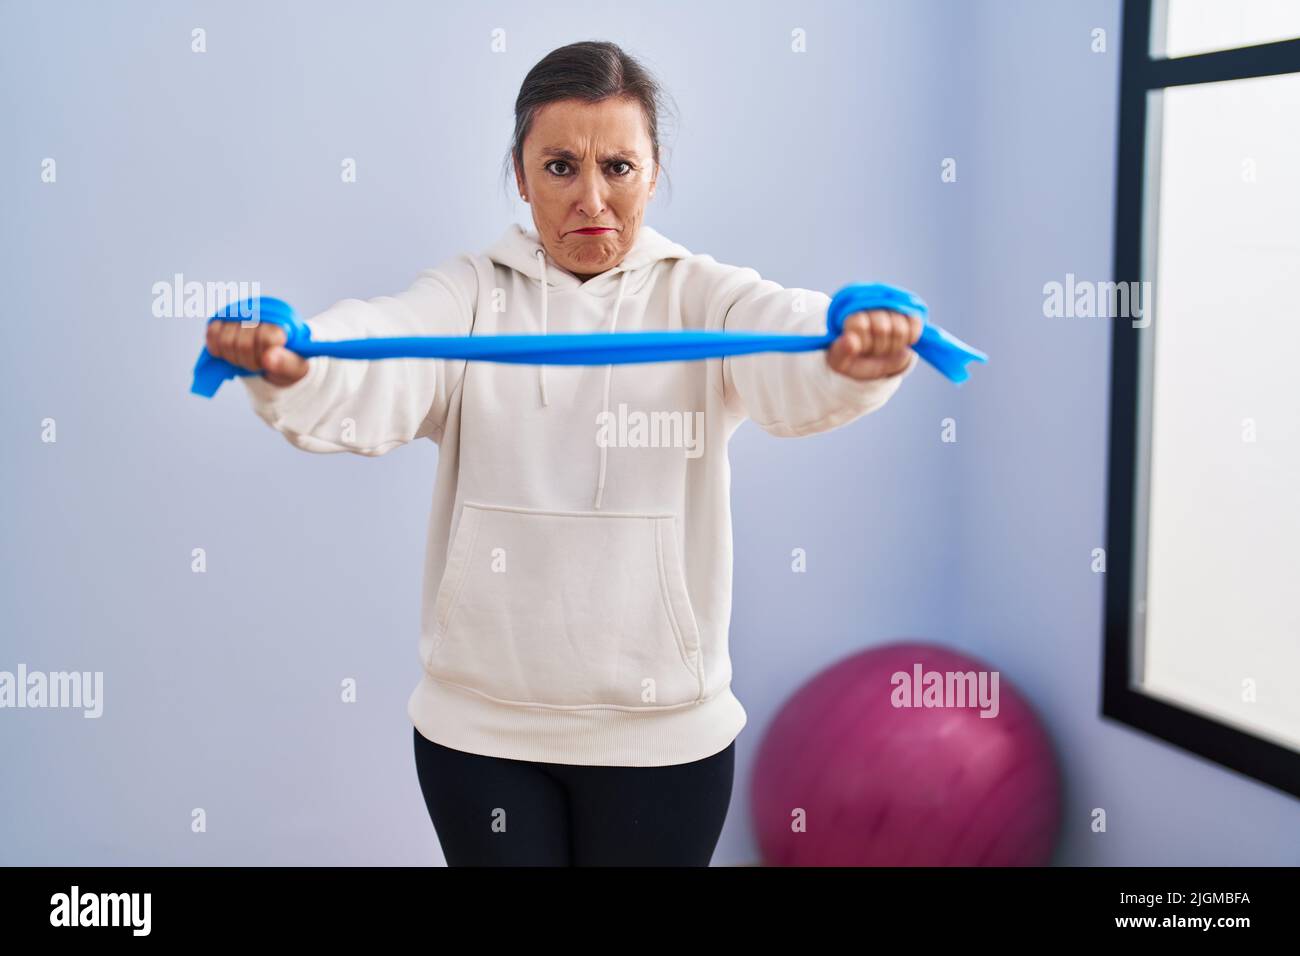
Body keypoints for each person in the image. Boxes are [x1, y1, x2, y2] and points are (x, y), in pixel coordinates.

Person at [202, 40, 921, 866]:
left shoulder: (703, 297)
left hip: (663, 743)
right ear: (519, 173)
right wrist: (299, 356)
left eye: (618, 167)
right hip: (480, 736)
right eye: (559, 166)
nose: (591, 198)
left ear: (654, 173)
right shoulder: (469, 294)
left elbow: (789, 339)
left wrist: (849, 351)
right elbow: (381, 349)